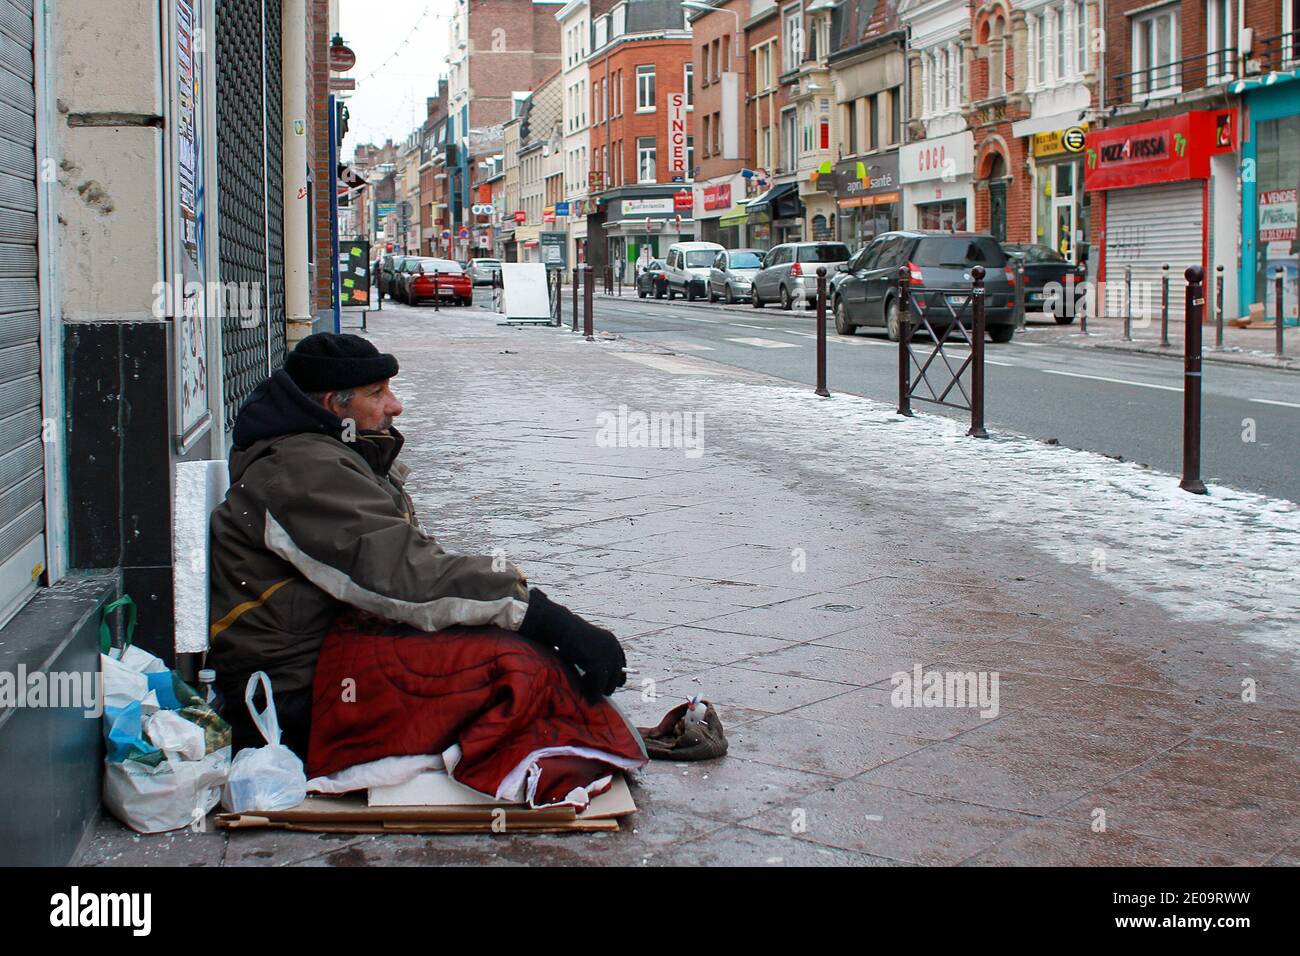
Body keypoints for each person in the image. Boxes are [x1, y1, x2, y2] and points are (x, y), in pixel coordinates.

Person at [207, 333, 627, 758]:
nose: (395, 405)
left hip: (334, 649)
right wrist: (541, 615)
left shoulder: (327, 453)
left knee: (505, 651)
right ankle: (561, 753)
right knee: (509, 669)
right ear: (336, 405)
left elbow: (406, 568)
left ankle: (576, 741)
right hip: (295, 692)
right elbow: (405, 576)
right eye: (378, 393)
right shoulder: (303, 471)